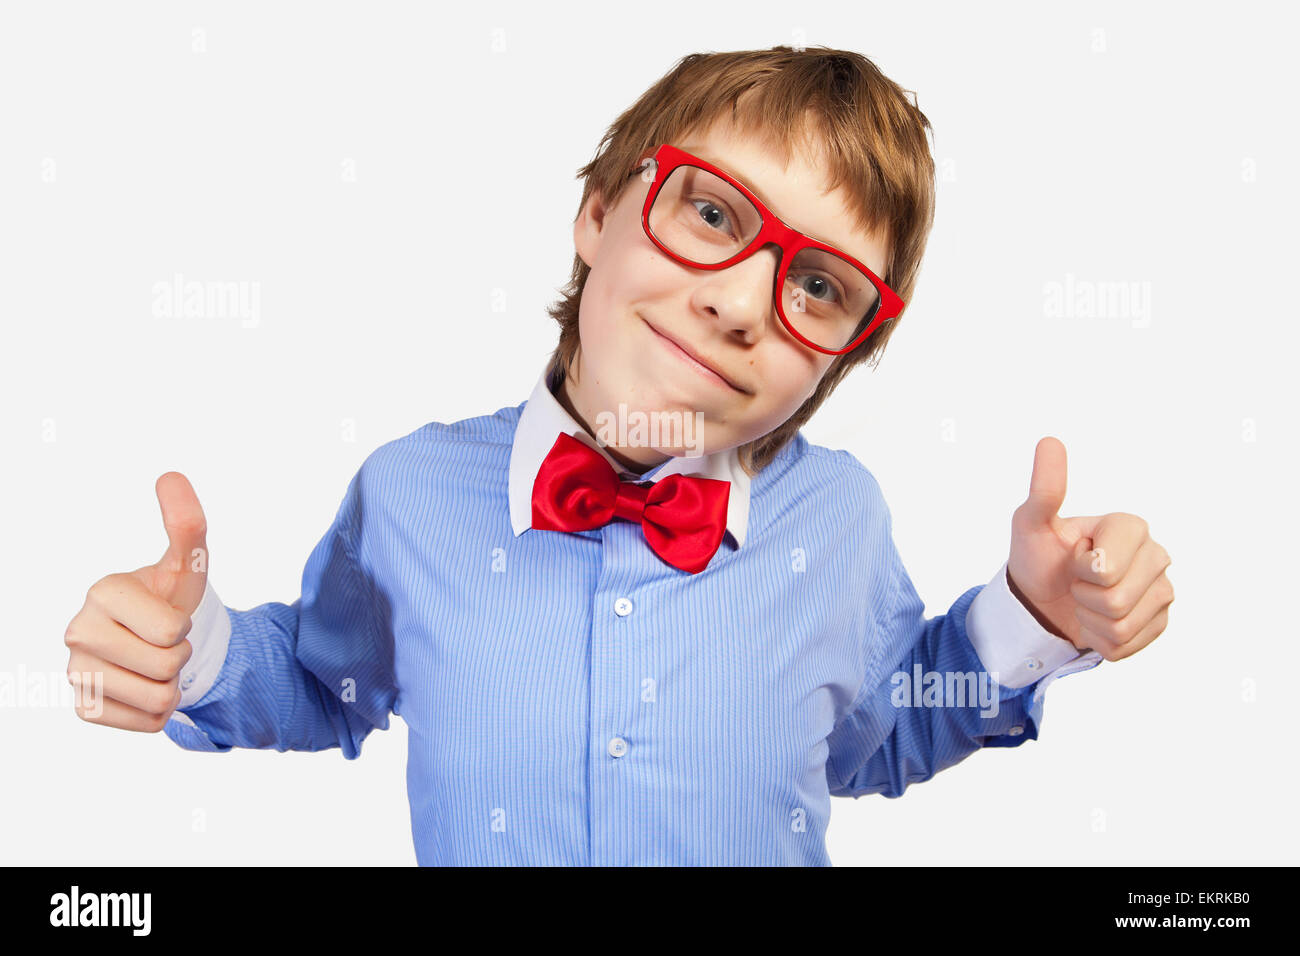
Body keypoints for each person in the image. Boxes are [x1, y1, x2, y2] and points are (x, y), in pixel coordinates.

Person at [63, 46, 1174, 865]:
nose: (743, 301)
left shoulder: (837, 520)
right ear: (598, 213)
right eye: (710, 211)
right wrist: (192, 648)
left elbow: (877, 734)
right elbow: (322, 679)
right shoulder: (408, 493)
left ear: (841, 357)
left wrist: (1030, 610)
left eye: (820, 286)